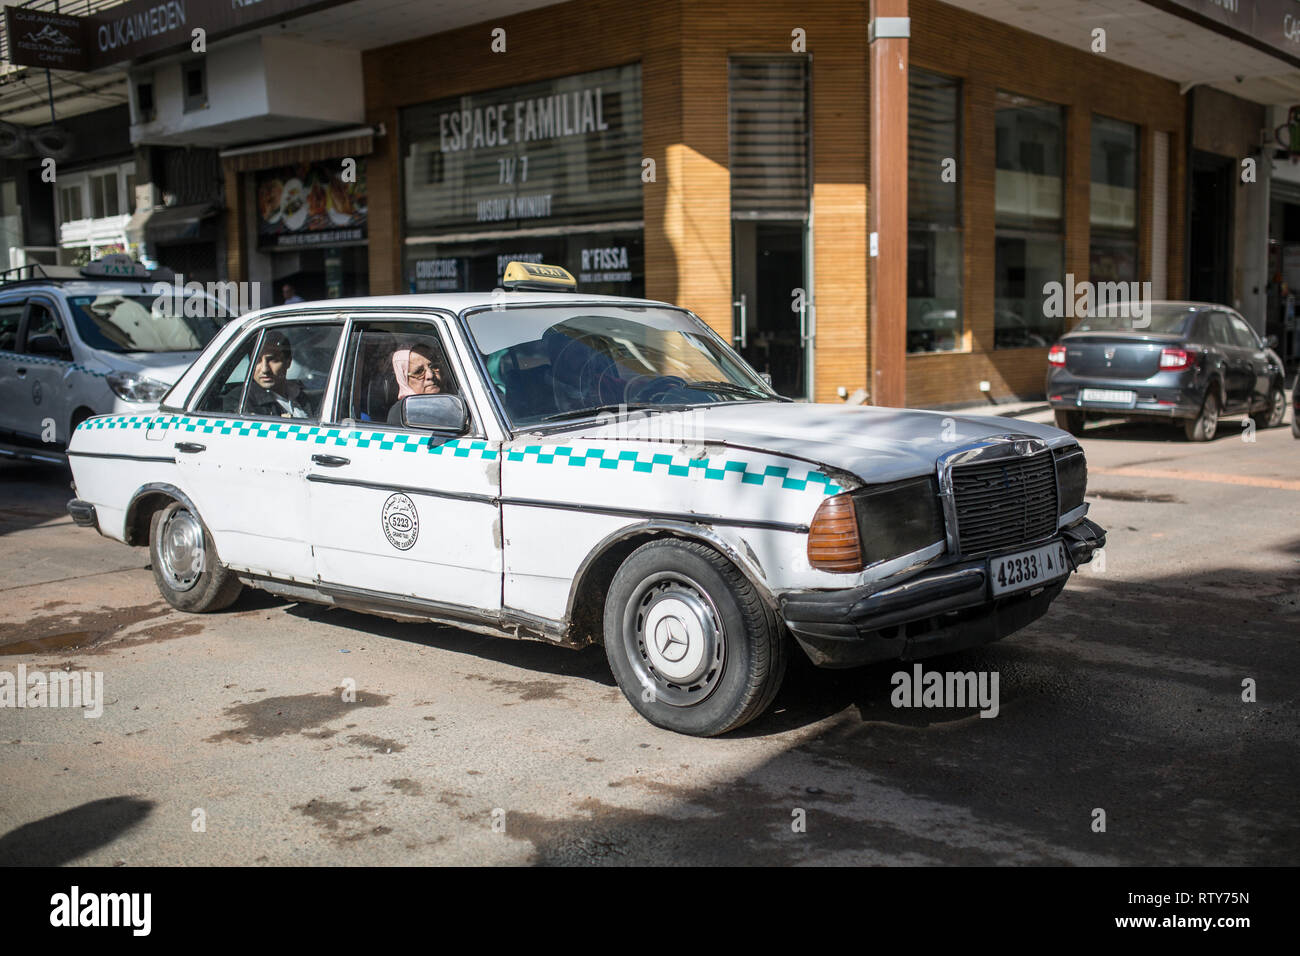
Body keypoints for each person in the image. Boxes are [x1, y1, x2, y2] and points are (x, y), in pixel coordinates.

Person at [240, 331, 311, 418]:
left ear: (288, 362)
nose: (264, 369)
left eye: (272, 360)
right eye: (257, 361)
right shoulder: (242, 401)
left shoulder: (300, 395)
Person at [387, 343, 449, 424]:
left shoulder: (452, 399)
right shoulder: (403, 413)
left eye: (434, 366)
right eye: (419, 372)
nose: (430, 375)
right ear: (404, 379)